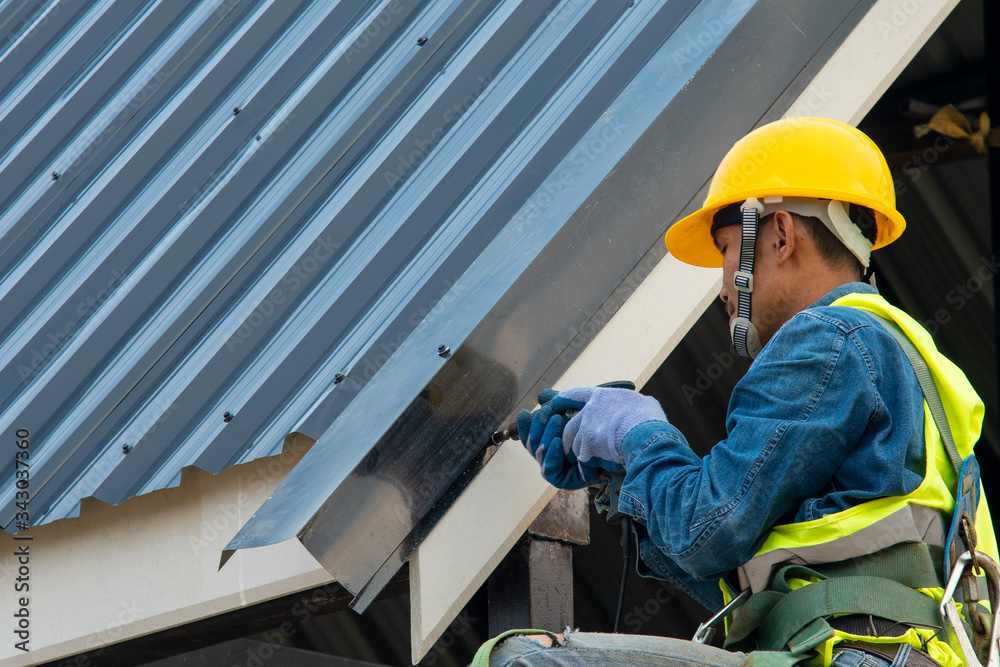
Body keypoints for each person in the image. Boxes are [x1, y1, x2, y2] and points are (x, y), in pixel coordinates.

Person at [475, 117, 1000, 667]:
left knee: (520, 660)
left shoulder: (825, 341)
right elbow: (735, 577)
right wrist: (617, 475)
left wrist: (637, 432)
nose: (724, 287)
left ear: (778, 234)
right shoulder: (895, 352)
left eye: (727, 250)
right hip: (878, 655)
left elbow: (707, 531)